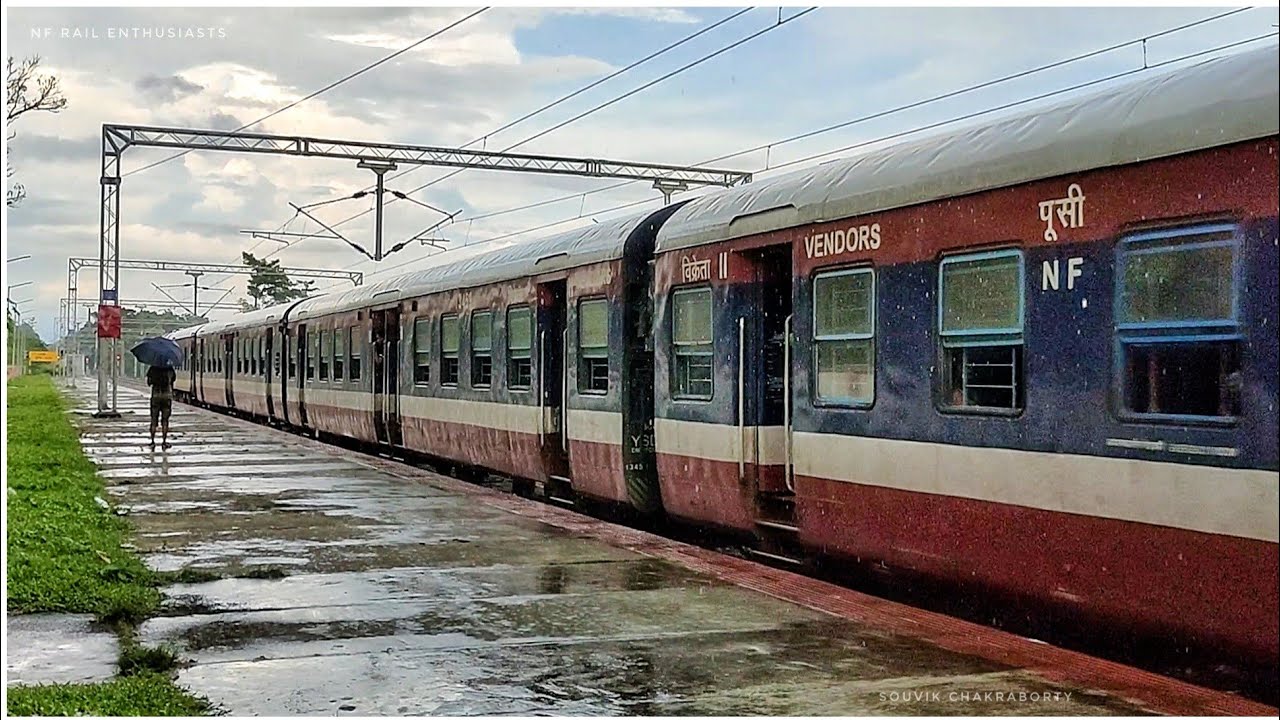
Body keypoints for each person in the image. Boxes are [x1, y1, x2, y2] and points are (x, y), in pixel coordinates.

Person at [146, 364, 176, 449]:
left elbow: (149, 382)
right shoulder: (169, 368)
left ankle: (152, 441)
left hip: (155, 396)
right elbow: (173, 380)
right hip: (167, 397)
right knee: (165, 420)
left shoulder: (153, 368)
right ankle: (164, 441)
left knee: (154, 420)